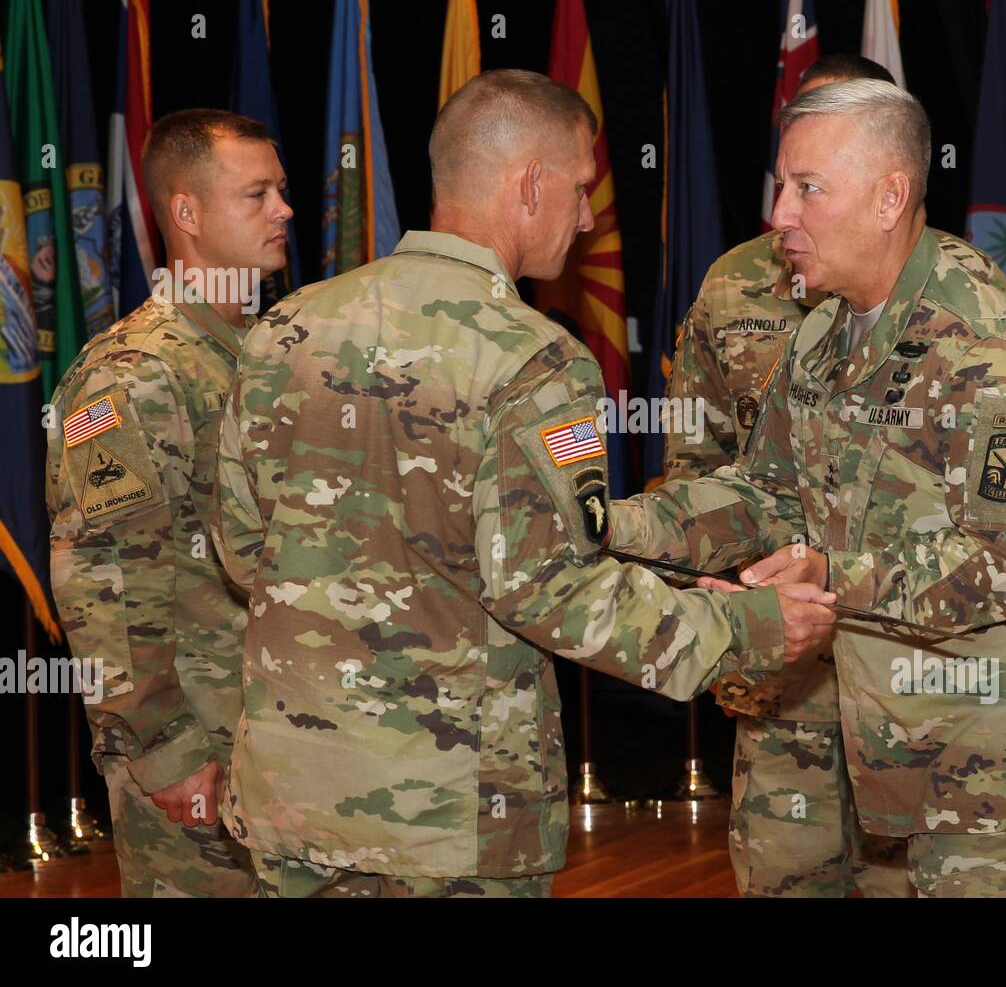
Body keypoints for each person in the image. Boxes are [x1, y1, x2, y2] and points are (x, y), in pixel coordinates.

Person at [210, 69, 836, 899]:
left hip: (293, 797)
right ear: (529, 185)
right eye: (580, 192)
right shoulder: (533, 357)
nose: (586, 218)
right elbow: (550, 586)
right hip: (446, 815)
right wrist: (747, 624)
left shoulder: (283, 329)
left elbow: (243, 548)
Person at [611, 79, 1006, 897]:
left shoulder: (998, 356)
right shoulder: (827, 331)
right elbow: (763, 495)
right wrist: (612, 523)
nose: (781, 214)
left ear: (891, 196)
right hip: (904, 749)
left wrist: (831, 575)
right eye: (781, 186)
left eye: (808, 189)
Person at [665, 53, 916, 898]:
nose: (789, 206)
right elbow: (696, 459)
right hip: (784, 671)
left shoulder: (954, 299)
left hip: (908, 668)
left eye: (814, 178)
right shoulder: (731, 285)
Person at [46, 108, 293, 896]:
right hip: (203, 752)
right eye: (257, 194)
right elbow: (104, 582)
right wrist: (165, 752)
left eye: (281, 190)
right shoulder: (133, 374)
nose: (285, 209)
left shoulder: (265, 353)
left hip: (286, 745)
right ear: (186, 214)